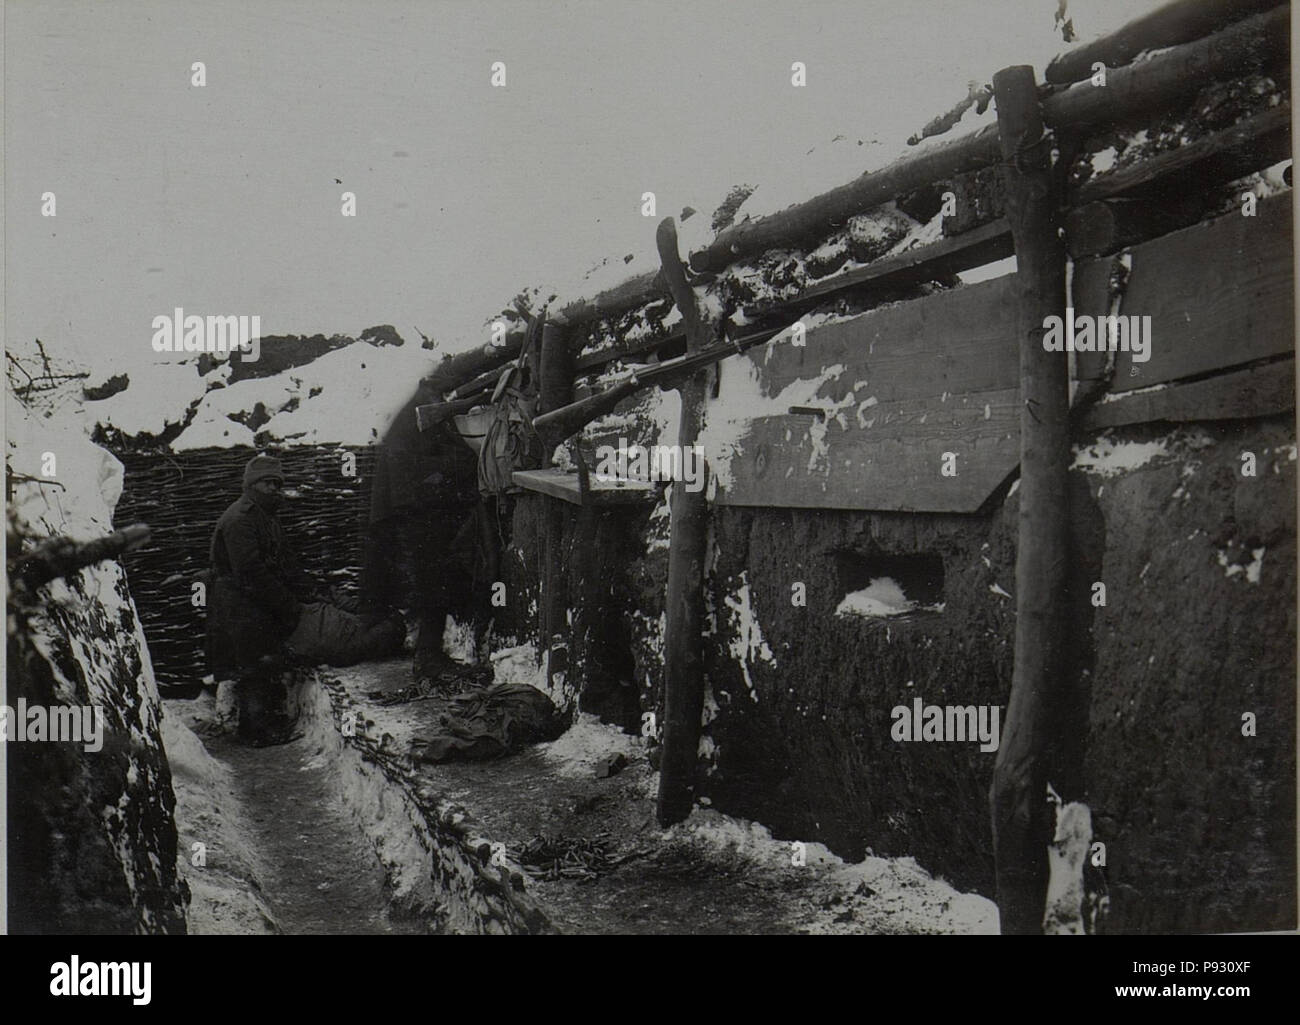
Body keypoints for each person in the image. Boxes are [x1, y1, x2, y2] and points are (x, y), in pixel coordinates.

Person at [207, 454, 403, 745]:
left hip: (258, 603)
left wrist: (308, 592)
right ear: (251, 484)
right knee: (254, 665)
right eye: (267, 483)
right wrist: (288, 607)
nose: (274, 489)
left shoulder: (265, 517)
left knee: (264, 662)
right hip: (241, 605)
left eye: (277, 483)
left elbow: (287, 566)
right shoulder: (240, 519)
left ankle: (263, 724)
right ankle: (256, 731)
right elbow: (250, 572)